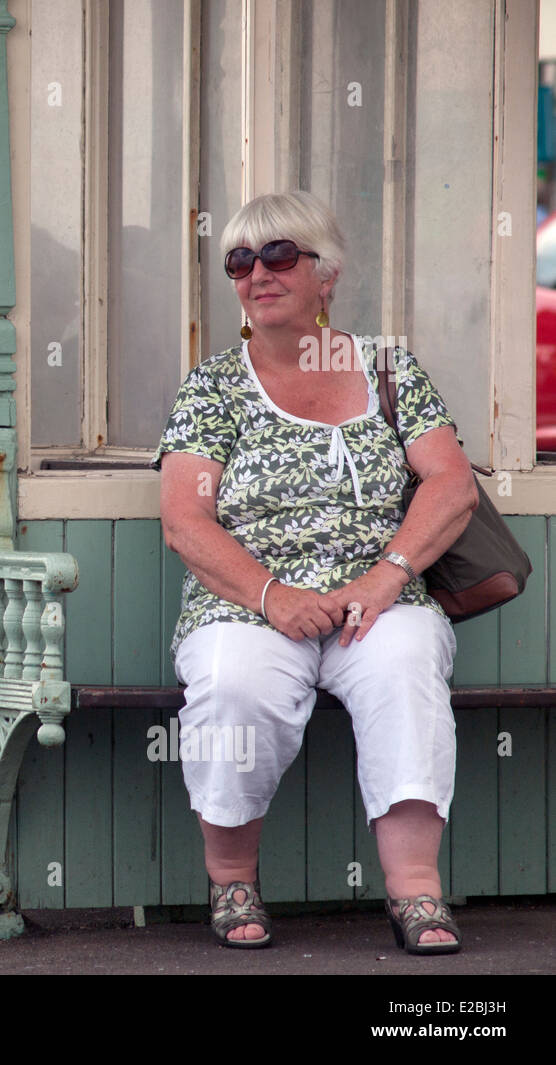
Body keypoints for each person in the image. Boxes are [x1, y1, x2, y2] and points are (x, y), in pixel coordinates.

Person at [153, 191, 478, 954]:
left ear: (326, 274)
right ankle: (231, 876)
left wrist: (386, 576)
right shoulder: (214, 387)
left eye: (278, 255)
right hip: (247, 604)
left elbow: (451, 484)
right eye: (240, 260)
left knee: (405, 666)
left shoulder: (387, 369)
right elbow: (185, 519)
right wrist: (272, 595)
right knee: (235, 682)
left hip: (378, 598)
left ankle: (415, 891)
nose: (257, 273)